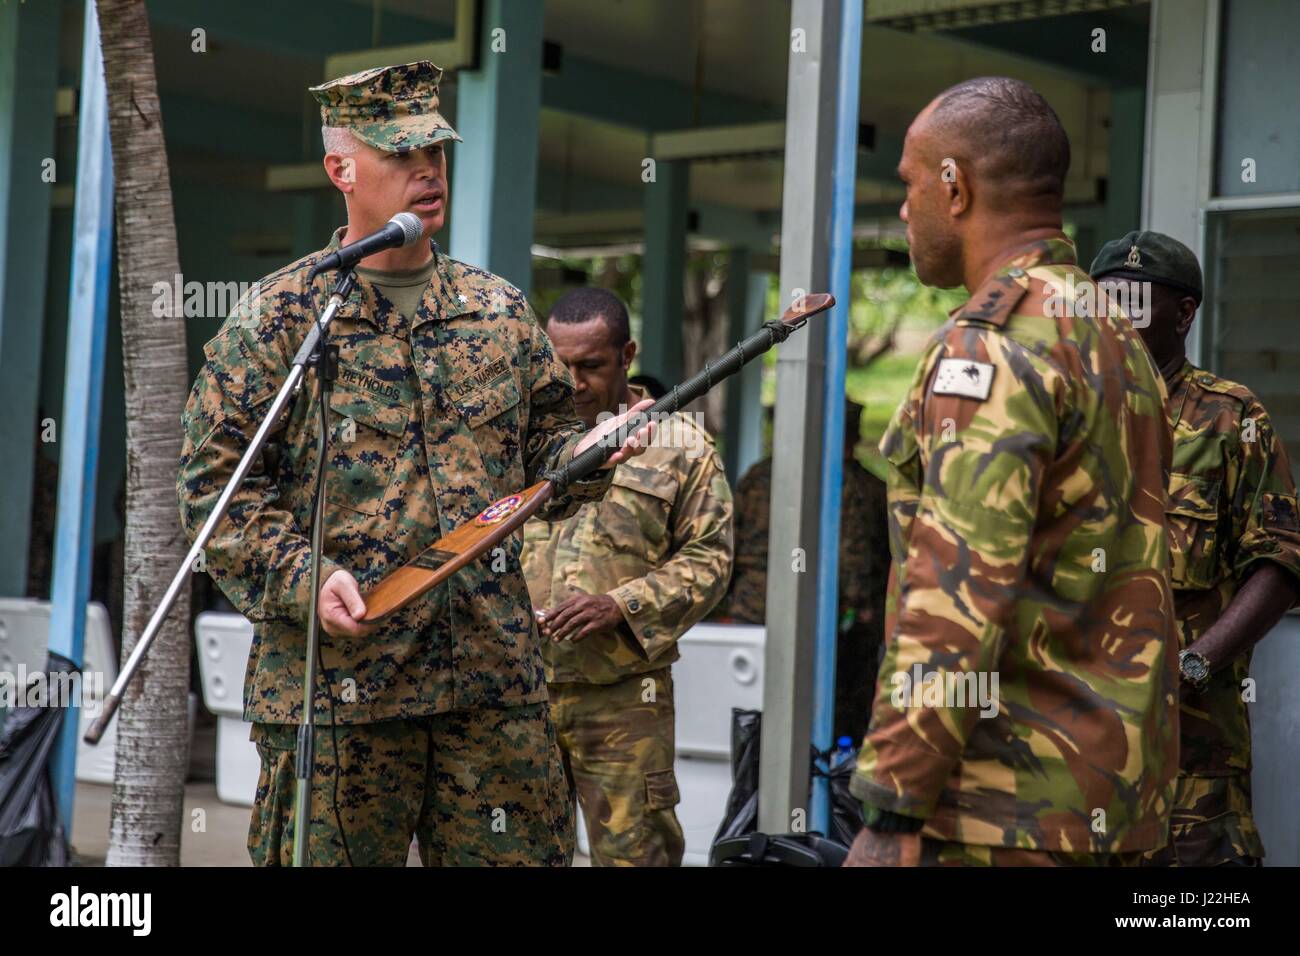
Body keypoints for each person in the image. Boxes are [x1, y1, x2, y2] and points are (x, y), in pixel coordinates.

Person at [177, 61, 652, 867]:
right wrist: (303, 575)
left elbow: (543, 457)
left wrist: (587, 453)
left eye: (435, 150)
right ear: (342, 169)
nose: (428, 171)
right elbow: (214, 488)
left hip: (491, 687)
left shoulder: (498, 311)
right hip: (342, 696)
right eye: (401, 155)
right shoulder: (281, 319)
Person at [843, 77, 1178, 867]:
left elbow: (959, 592)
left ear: (954, 187)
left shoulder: (990, 345)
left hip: (1005, 813)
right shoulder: (1111, 336)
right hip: (1117, 801)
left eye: (909, 183)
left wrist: (891, 808)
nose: (903, 208)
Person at [1091, 230, 1300, 866]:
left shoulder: (1231, 417)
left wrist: (1195, 667)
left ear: (1184, 312)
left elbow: (1281, 561)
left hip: (1191, 756)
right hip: (1075, 751)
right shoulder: (1064, 415)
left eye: (1133, 300)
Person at [521, 287, 733, 866]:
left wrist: (620, 604)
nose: (574, 381)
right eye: (559, 365)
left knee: (635, 854)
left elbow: (711, 559)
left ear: (627, 354)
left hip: (623, 701)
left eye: (590, 365)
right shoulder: (518, 445)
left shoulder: (680, 447)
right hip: (520, 694)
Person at [719, 400, 889, 742]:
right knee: (835, 718)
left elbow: (728, 546)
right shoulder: (859, 486)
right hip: (832, 623)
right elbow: (858, 558)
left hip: (754, 612)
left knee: (754, 713)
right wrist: (862, 610)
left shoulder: (757, 477)